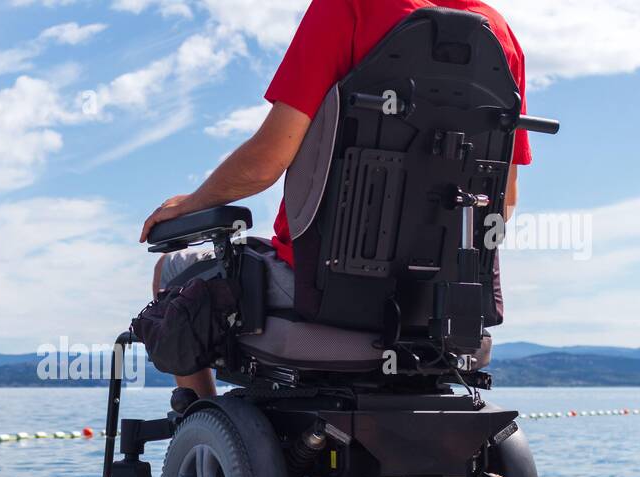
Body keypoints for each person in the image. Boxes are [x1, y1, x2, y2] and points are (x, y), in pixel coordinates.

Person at [140, 0, 532, 398]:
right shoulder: (498, 35)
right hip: (444, 311)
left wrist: (191, 203)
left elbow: (265, 162)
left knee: (172, 270)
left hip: (320, 294)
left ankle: (202, 415)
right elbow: (502, 202)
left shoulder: (349, 7)